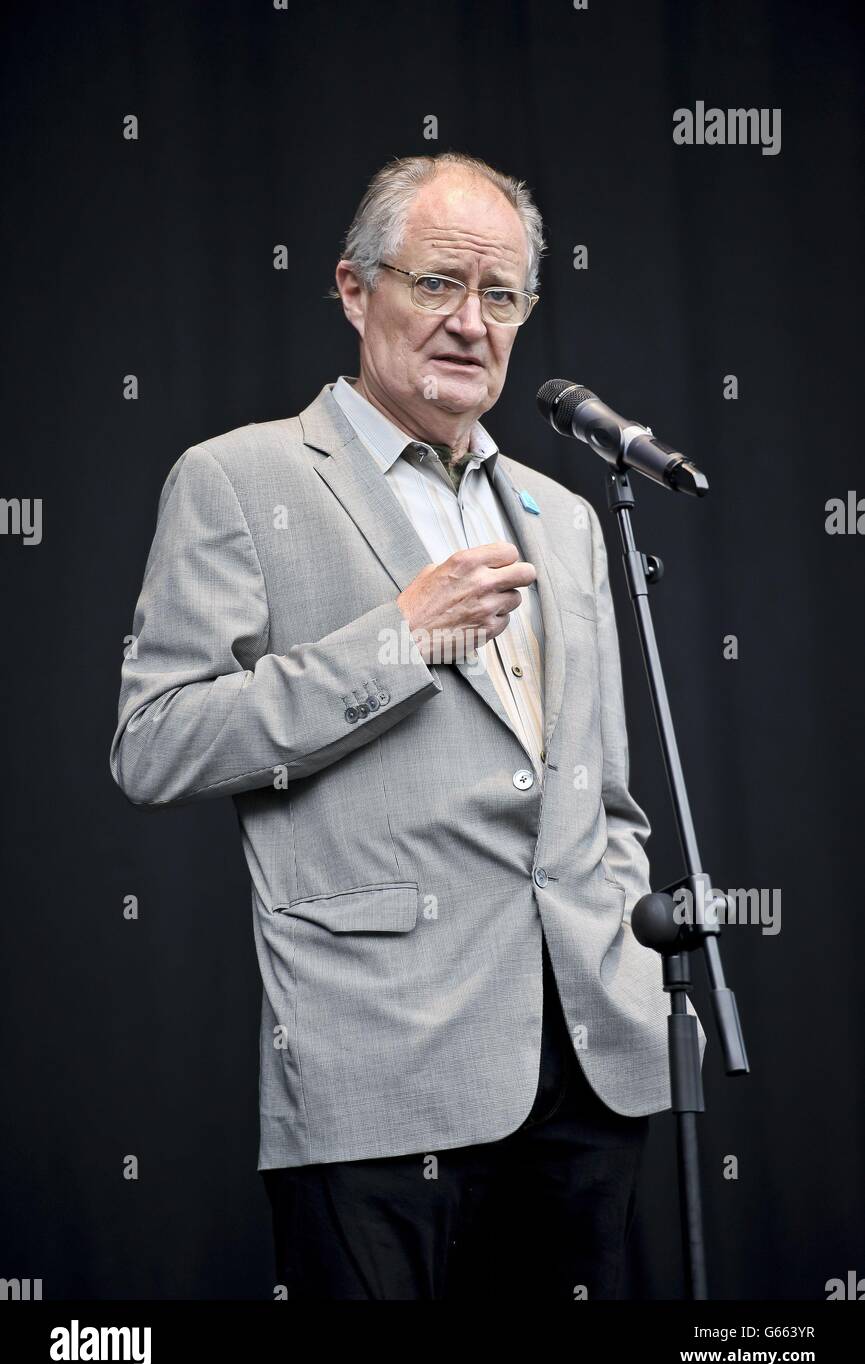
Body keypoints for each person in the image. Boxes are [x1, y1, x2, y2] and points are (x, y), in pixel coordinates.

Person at [110, 151, 706, 1300]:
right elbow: (155, 740)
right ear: (351, 289)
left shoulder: (568, 516)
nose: (469, 324)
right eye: (436, 284)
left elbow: (603, 793)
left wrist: (621, 971)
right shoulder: (238, 476)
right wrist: (396, 640)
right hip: (379, 1064)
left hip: (590, 1064)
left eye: (500, 296)